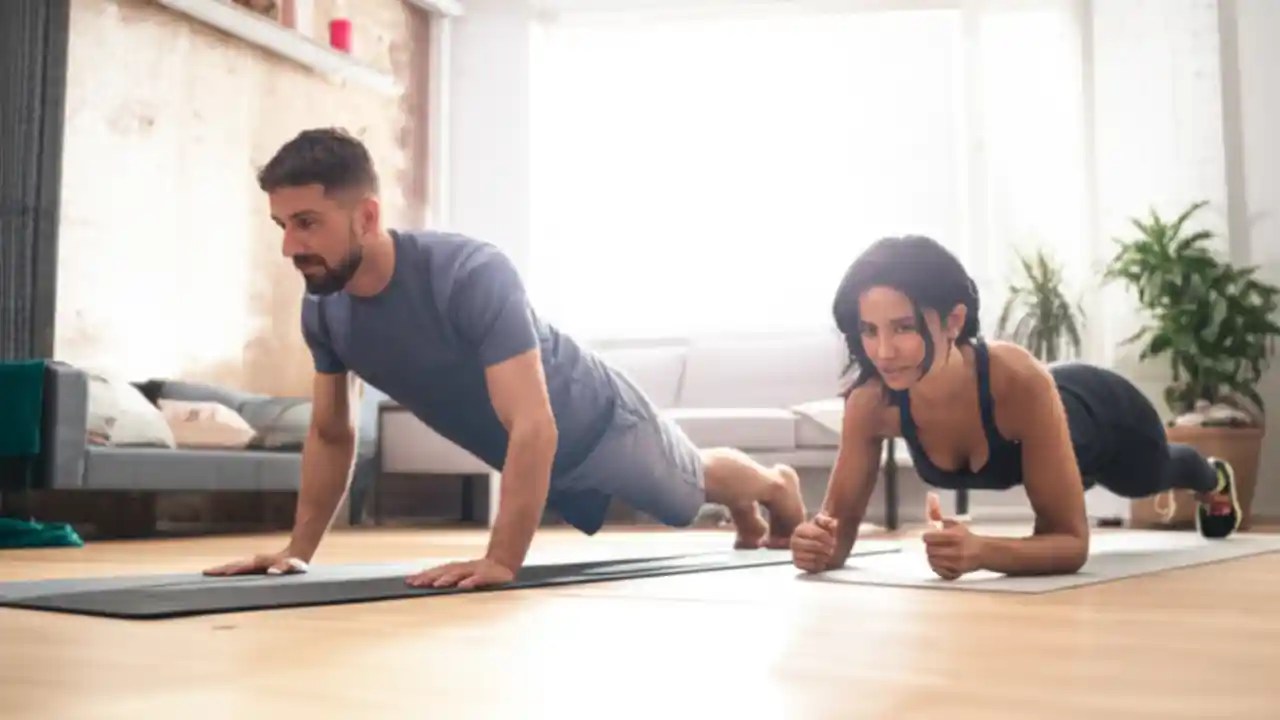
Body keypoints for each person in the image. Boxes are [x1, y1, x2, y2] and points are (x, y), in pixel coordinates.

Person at [204, 128, 805, 589]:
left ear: (366, 216)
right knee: (688, 493)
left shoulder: (469, 272)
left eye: (307, 223)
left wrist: (501, 560)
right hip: (535, 451)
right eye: (282, 226)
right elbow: (331, 435)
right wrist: (297, 552)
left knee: (686, 489)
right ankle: (746, 514)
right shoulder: (324, 310)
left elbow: (534, 424)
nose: (290, 246)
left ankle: (775, 486)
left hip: (599, 423)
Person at [790, 235, 1243, 580]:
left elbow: (1070, 543)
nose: (883, 351)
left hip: (1103, 415)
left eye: (903, 327)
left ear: (954, 321)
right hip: (1047, 438)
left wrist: (982, 552)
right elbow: (839, 529)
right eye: (869, 330)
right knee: (1074, 480)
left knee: (1150, 474)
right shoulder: (872, 403)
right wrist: (816, 545)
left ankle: (1211, 477)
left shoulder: (1019, 379)